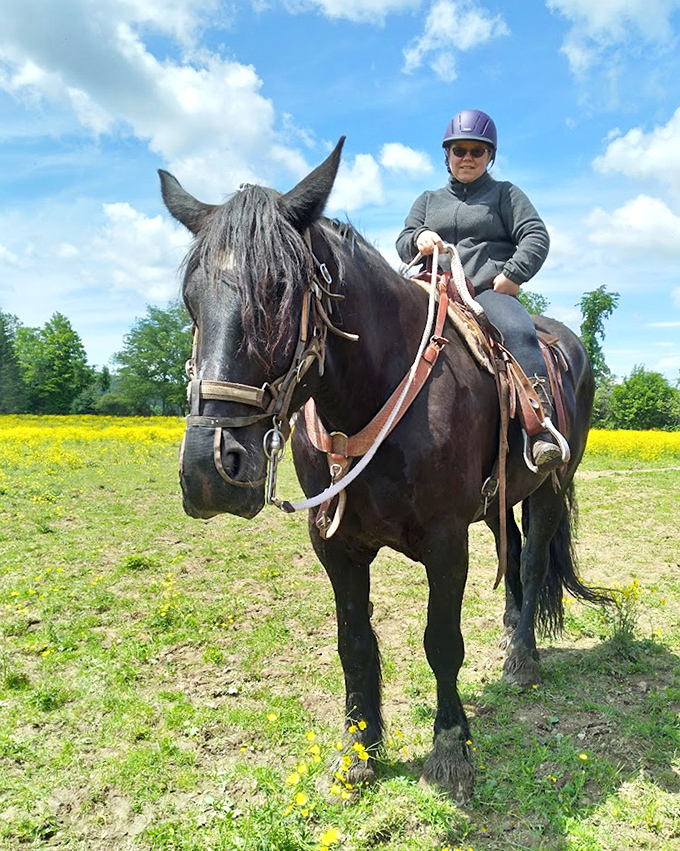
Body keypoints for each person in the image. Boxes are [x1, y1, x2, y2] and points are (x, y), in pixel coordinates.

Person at [395, 108, 562, 471]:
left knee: (518, 331)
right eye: (459, 150)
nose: (467, 158)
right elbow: (404, 239)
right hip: (432, 291)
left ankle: (539, 428)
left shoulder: (505, 194)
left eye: (477, 151)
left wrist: (513, 275)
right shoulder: (427, 200)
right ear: (447, 156)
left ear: (490, 156)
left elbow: (536, 235)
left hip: (485, 292)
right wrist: (418, 237)